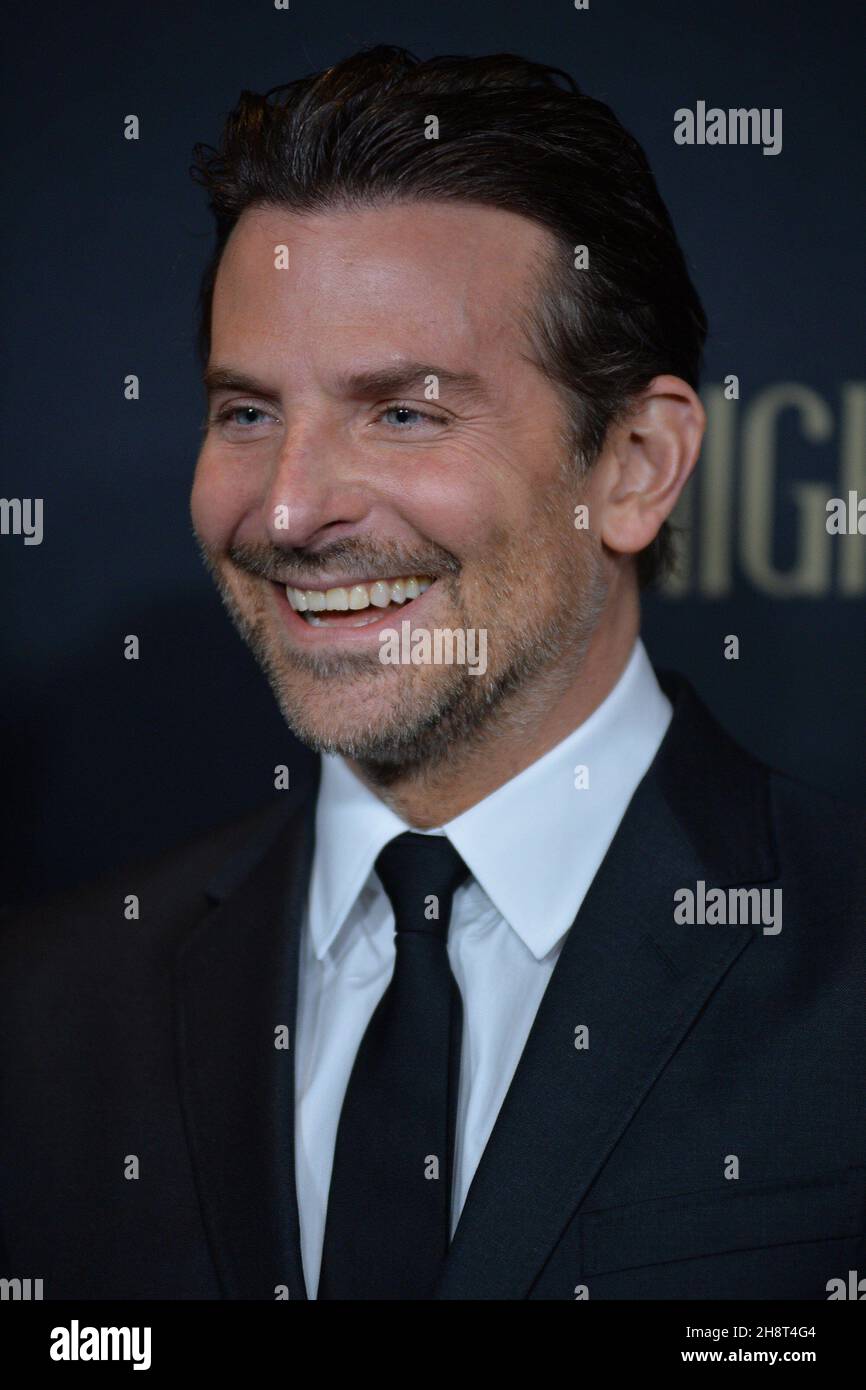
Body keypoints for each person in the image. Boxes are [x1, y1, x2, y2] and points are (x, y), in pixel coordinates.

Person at [1, 46, 863, 1301]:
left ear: (632, 464)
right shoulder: (49, 1012)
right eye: (246, 412)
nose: (288, 509)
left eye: (402, 412)